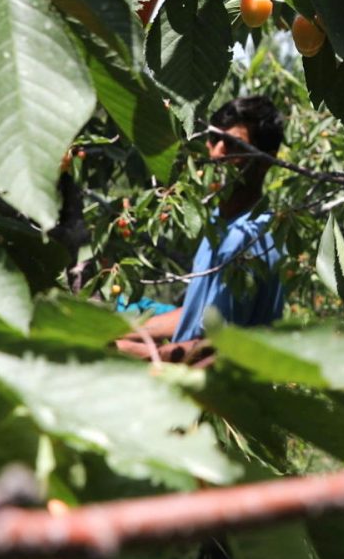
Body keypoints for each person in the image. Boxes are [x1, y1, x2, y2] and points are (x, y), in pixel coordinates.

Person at [116, 93, 288, 361]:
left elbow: (213, 351)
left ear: (267, 159)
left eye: (232, 144)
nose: (217, 152)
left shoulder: (250, 238)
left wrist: (130, 352)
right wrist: (120, 329)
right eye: (214, 139)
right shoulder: (220, 223)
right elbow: (195, 316)